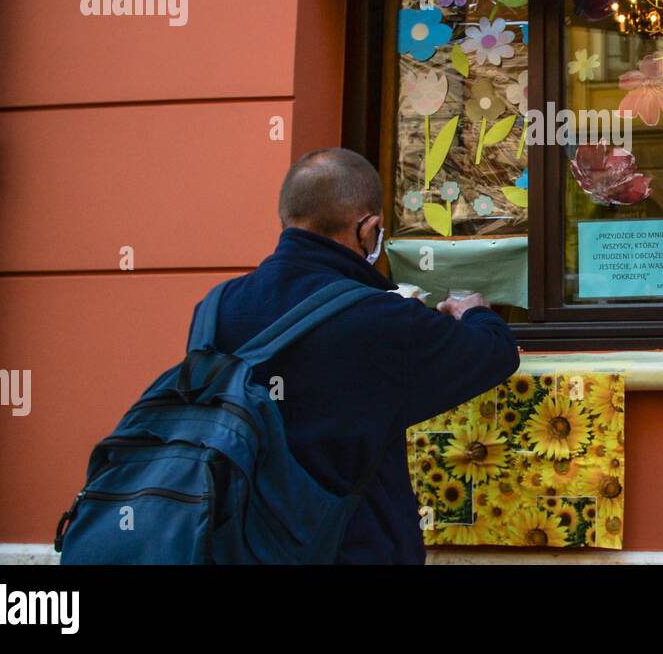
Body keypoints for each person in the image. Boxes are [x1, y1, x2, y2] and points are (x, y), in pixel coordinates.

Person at [192, 147, 519, 563]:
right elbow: (493, 355)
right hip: (352, 547)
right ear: (369, 228)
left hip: (231, 546)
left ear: (288, 220)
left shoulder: (215, 308)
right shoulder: (378, 316)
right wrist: (474, 314)